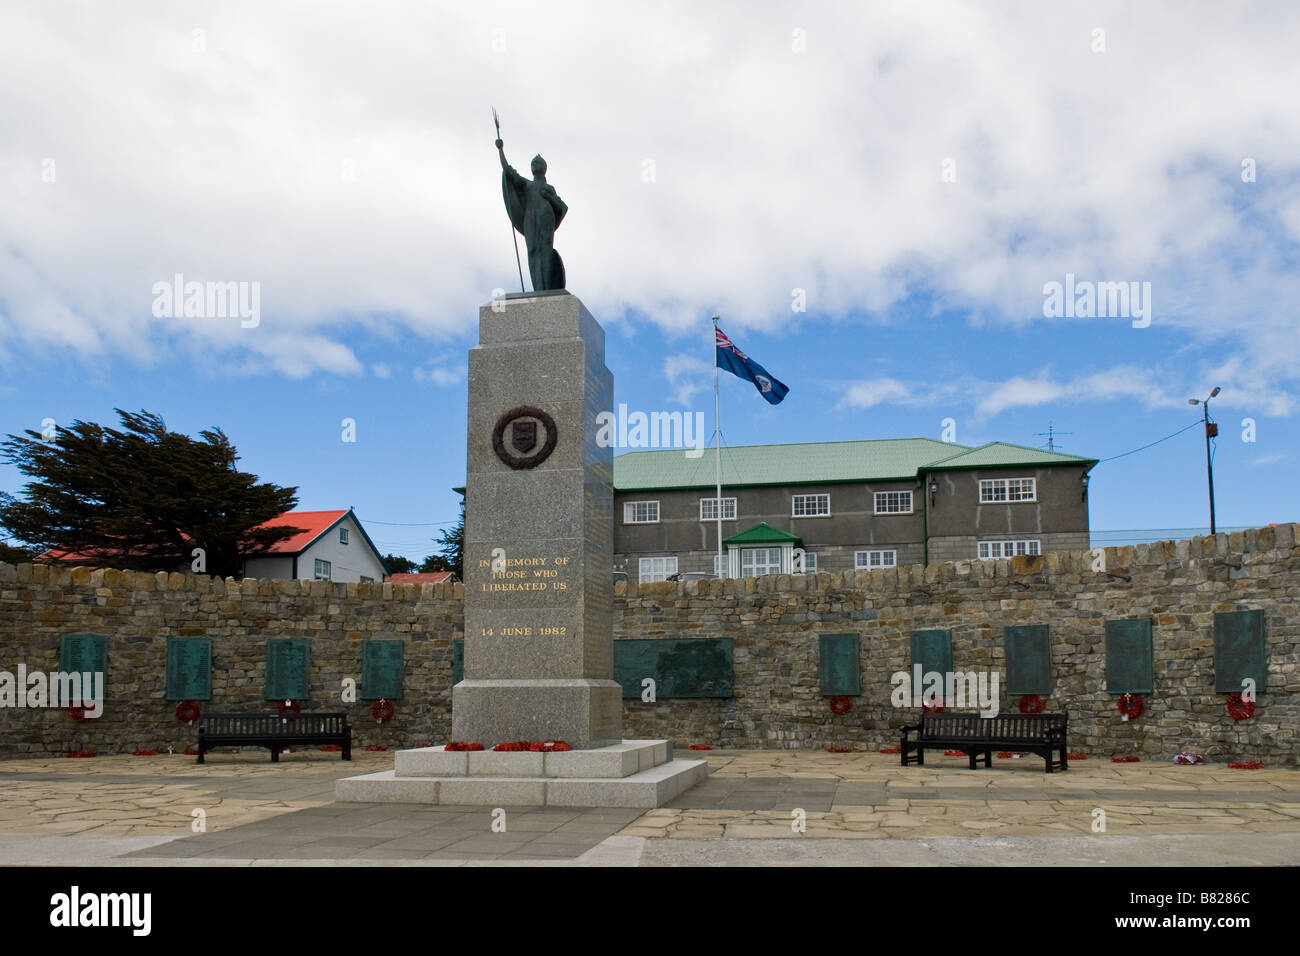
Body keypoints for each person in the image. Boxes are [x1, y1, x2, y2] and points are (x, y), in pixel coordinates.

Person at [497, 138, 567, 291]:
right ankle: (538, 289)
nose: (536, 165)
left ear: (544, 168)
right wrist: (501, 150)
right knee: (533, 253)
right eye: (534, 163)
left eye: (539, 163)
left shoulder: (550, 188)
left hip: (546, 221)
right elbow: (509, 171)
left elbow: (563, 207)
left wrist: (549, 198)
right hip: (530, 221)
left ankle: (546, 289)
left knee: (546, 253)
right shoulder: (527, 185)